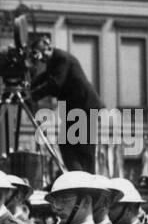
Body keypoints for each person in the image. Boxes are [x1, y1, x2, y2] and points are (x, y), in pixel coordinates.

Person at [27, 36, 102, 173]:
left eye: (41, 54)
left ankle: (84, 181)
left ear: (48, 48)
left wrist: (33, 95)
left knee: (83, 150)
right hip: (77, 108)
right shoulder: (54, 62)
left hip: (84, 107)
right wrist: (30, 85)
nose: (41, 59)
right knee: (69, 146)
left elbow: (55, 84)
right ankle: (79, 178)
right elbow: (45, 77)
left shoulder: (61, 59)